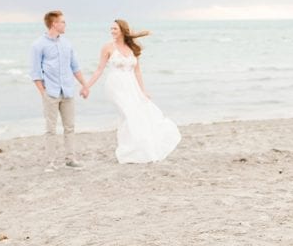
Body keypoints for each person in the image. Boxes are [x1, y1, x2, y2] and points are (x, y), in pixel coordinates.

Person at [83, 19, 180, 163]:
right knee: (129, 115)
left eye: (115, 29)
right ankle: (128, 150)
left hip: (131, 86)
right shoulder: (107, 47)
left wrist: (143, 91)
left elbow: (138, 72)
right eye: (111, 29)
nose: (112, 31)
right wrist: (87, 86)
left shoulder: (131, 48)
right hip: (115, 85)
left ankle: (135, 149)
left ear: (122, 30)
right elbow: (99, 69)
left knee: (140, 113)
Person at [29, 10, 88, 172]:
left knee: (70, 127)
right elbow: (35, 73)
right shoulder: (38, 45)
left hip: (68, 91)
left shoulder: (67, 44)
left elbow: (75, 67)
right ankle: (50, 162)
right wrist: (43, 93)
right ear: (54, 24)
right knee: (51, 129)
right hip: (51, 92)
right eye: (62, 22)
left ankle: (70, 159)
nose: (65, 24)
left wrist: (85, 85)